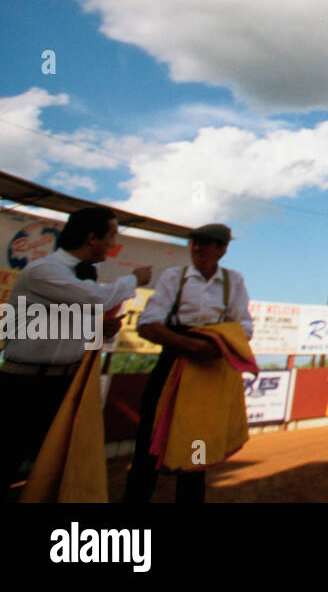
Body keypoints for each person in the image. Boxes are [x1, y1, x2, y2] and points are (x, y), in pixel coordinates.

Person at [0, 207, 150, 498]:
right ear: (92, 238)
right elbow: (96, 299)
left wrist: (99, 331)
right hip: (22, 387)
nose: (113, 244)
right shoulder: (43, 270)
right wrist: (133, 279)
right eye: (111, 236)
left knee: (56, 472)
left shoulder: (82, 275)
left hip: (63, 387)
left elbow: (66, 323)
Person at [123, 223, 252, 503]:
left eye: (205, 243)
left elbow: (244, 327)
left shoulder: (234, 281)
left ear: (222, 249)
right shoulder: (175, 277)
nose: (196, 248)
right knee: (149, 443)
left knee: (197, 448)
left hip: (210, 366)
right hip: (176, 359)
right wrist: (192, 346)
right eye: (194, 242)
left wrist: (212, 347)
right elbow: (147, 325)